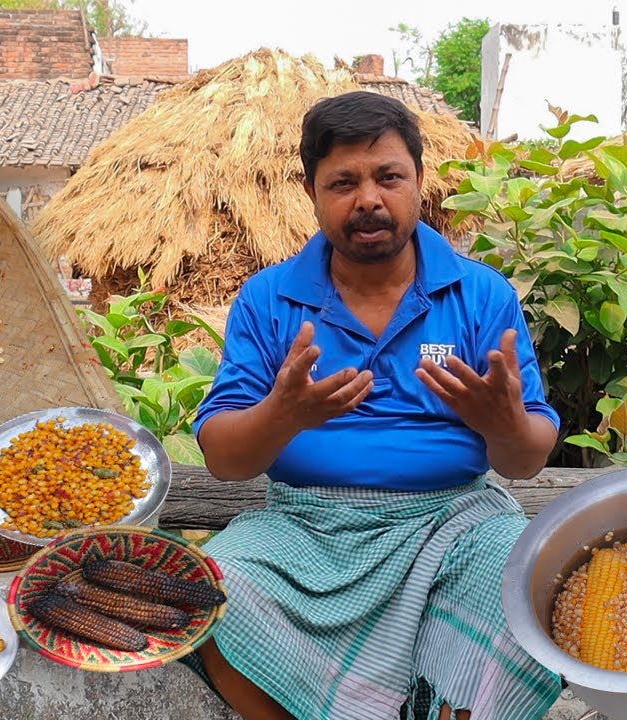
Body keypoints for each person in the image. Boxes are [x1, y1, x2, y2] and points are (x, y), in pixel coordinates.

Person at [190, 90, 562, 720]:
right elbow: (226, 461)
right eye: (343, 182)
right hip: (302, 529)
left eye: (388, 177)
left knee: (519, 571)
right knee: (212, 589)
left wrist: (503, 426)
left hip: (455, 522)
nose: (368, 199)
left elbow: (524, 461)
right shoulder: (269, 298)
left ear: (418, 181)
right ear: (311, 193)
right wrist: (283, 414)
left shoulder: (480, 293)